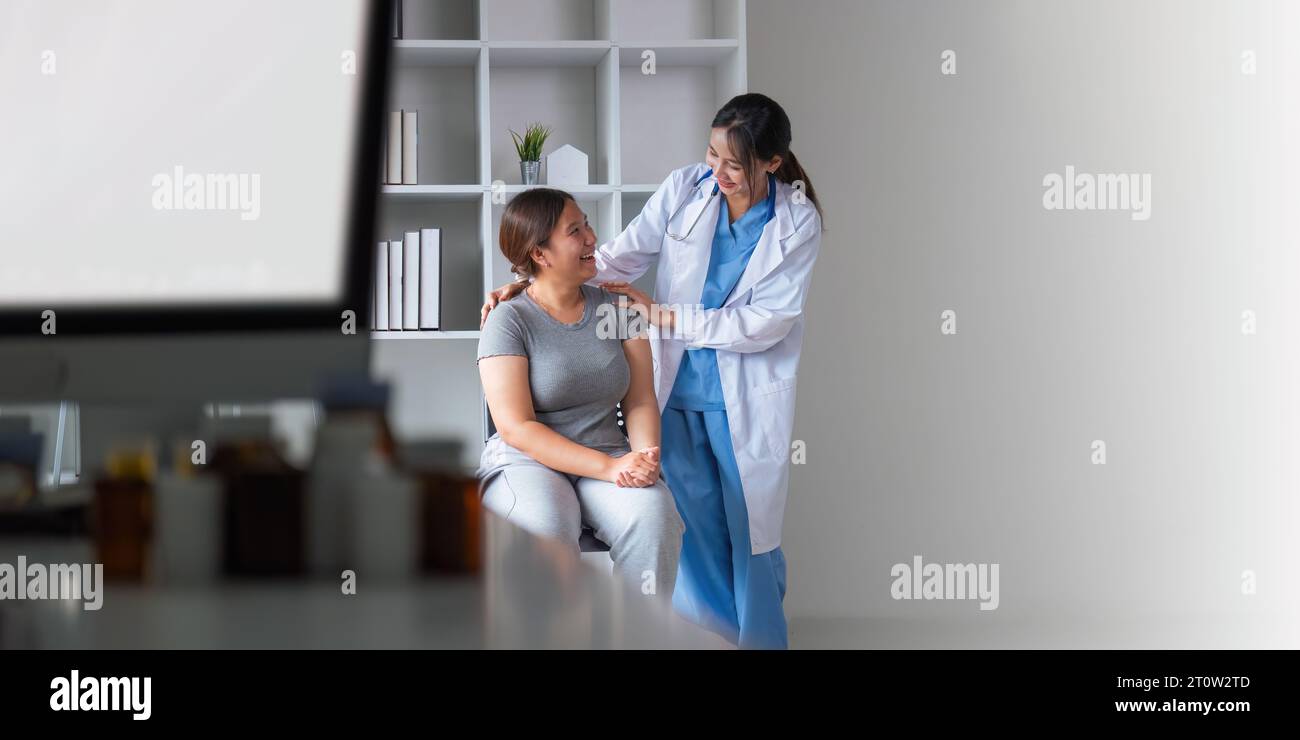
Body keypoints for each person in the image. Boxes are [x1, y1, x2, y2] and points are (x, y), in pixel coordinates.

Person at [483, 93, 823, 648]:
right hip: (678, 390)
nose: (718, 172)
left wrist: (663, 315)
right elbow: (615, 258)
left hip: (745, 391)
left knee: (752, 533)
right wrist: (526, 281)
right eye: (712, 154)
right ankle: (709, 640)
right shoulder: (687, 188)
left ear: (772, 163)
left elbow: (768, 322)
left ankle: (762, 641)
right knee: (699, 532)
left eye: (734, 164)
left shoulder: (796, 220)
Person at [476, 187, 684, 600]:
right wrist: (610, 470)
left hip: (610, 453)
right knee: (544, 533)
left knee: (655, 517)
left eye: (587, 224)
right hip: (528, 462)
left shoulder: (617, 309)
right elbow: (517, 428)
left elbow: (640, 398)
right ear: (540, 254)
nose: (592, 238)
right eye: (576, 230)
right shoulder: (508, 320)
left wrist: (644, 458)